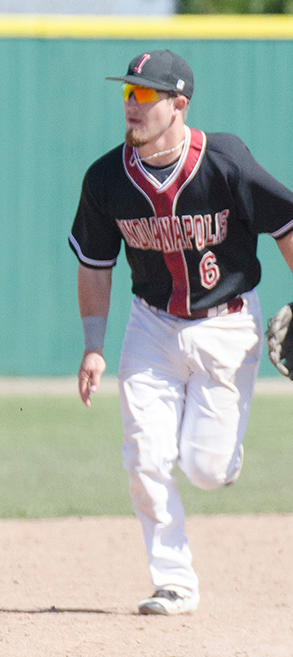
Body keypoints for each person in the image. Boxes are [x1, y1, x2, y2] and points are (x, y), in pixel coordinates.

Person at [69, 50, 293, 616]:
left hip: (226, 326)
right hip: (152, 326)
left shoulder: (225, 160)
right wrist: (94, 345)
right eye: (127, 93)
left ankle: (224, 455)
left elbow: (286, 223)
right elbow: (94, 265)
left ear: (179, 105)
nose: (131, 104)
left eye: (144, 95)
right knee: (144, 456)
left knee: (205, 470)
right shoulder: (105, 179)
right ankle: (174, 582)